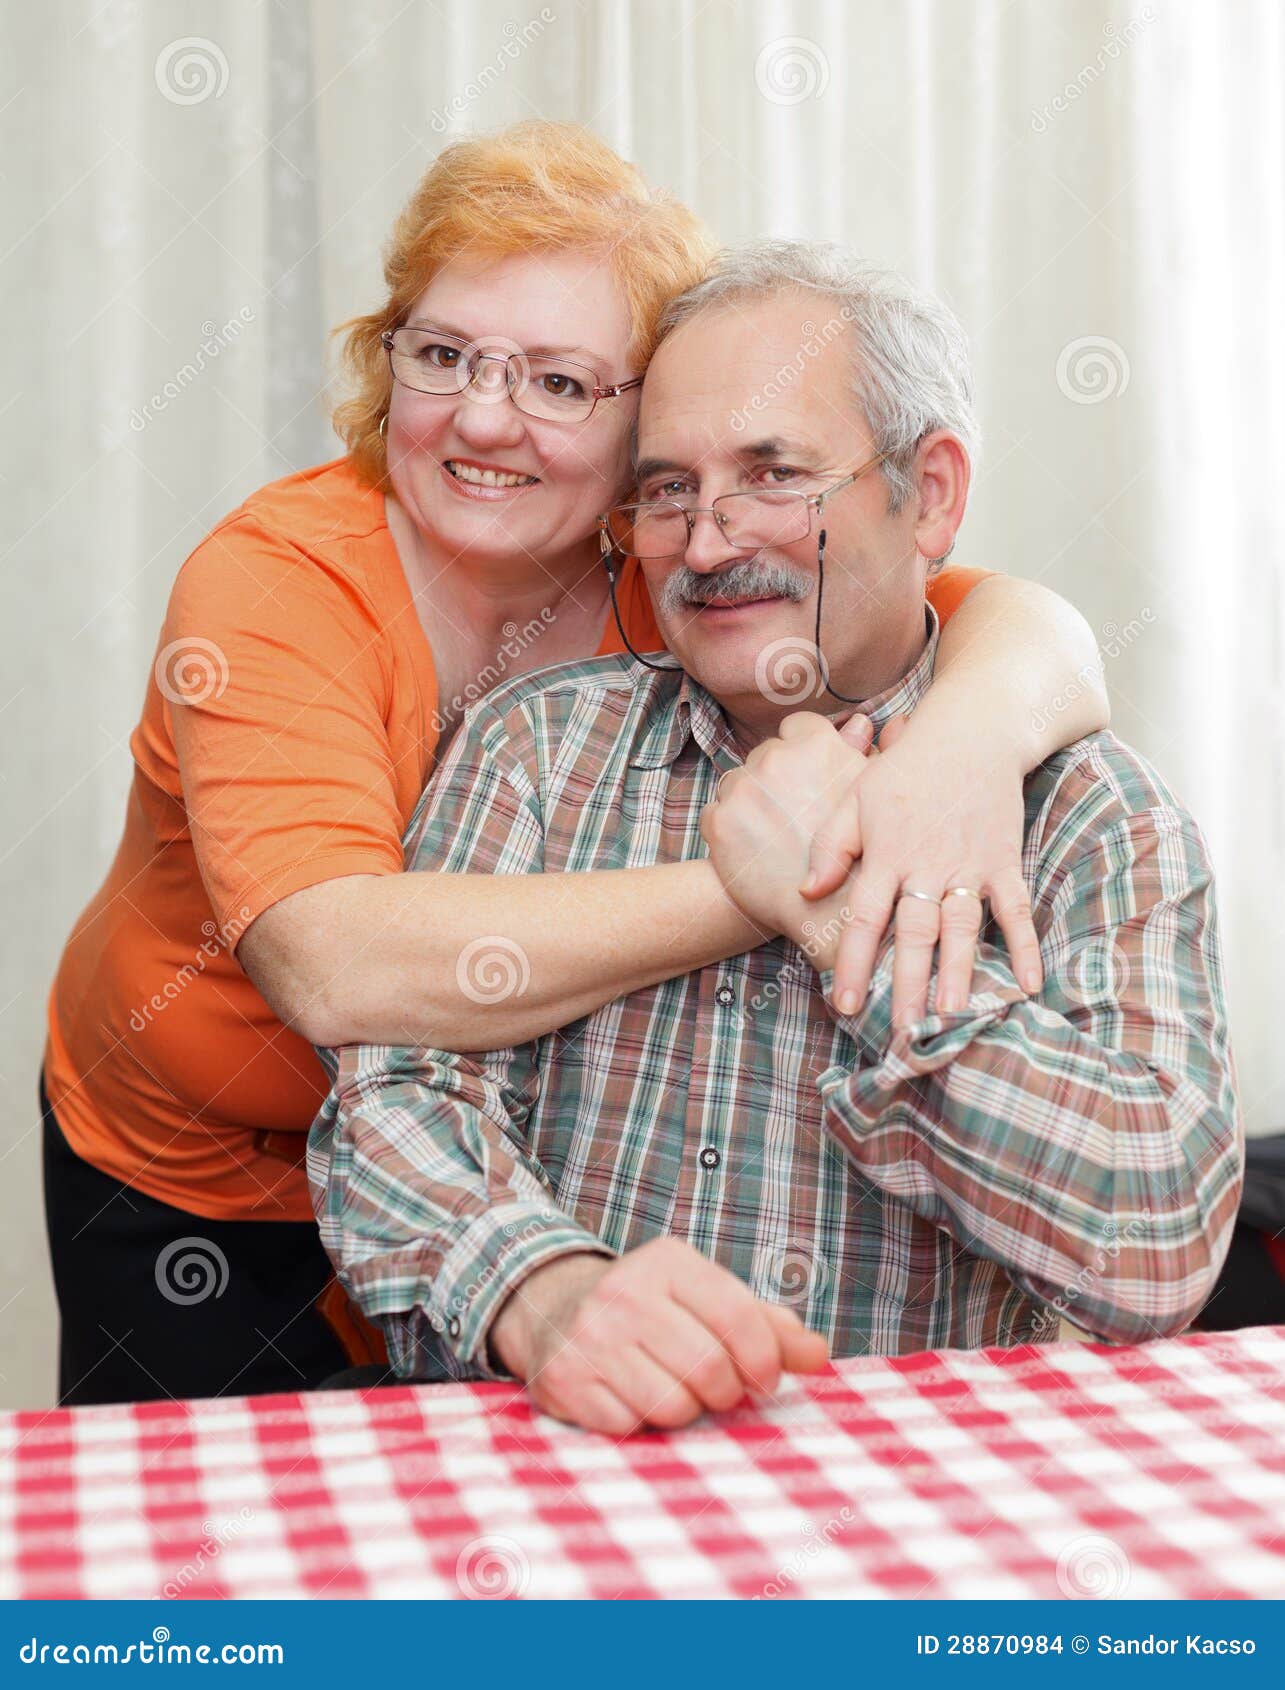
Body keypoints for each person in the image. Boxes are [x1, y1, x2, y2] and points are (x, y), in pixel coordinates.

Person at [43, 123, 1107, 1408]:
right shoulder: (274, 577)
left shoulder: (678, 563)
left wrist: (968, 739)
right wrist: (760, 884)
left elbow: (1021, 625)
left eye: (558, 382)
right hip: (199, 1170)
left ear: (645, 417)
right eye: (443, 355)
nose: (483, 416)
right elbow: (333, 963)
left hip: (468, 1166)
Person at [311, 241, 1244, 1437]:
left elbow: (1155, 1248)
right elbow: (395, 1089)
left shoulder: (1091, 819)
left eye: (771, 475)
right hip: (541, 1473)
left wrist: (833, 906)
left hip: (910, 1518)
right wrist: (540, 1292)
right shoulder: (529, 750)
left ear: (934, 494)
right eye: (667, 490)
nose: (705, 545)